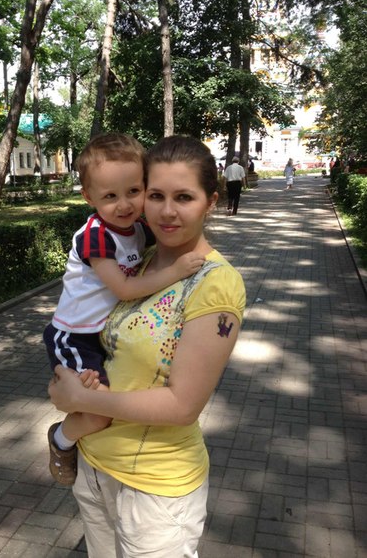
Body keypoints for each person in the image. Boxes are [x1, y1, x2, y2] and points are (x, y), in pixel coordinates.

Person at [49, 135, 246, 558]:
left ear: (211, 201)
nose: (166, 211)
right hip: (94, 467)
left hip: (155, 490)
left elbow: (182, 406)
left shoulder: (215, 284)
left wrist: (81, 399)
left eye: (184, 197)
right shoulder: (140, 260)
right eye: (156, 195)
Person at [43, 133, 205, 486]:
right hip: (75, 336)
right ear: (89, 198)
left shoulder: (138, 229)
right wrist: (177, 271)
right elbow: (125, 289)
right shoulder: (96, 236)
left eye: (134, 191)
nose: (124, 205)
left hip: (103, 332)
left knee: (103, 401)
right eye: (110, 196)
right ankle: (61, 440)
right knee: (98, 412)